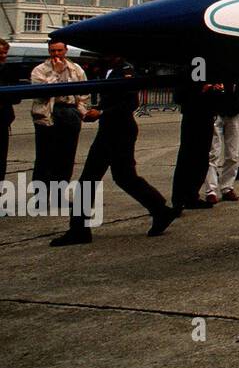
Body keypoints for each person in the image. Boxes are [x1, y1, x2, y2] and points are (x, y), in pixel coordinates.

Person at [50, 57, 175, 246]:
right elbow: (113, 100)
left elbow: (131, 103)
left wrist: (102, 113)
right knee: (124, 177)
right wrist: (99, 109)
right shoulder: (109, 69)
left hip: (118, 130)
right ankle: (160, 210)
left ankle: (79, 230)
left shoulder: (125, 70)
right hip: (112, 128)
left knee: (91, 179)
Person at [30, 39, 88, 185]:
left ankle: (59, 194)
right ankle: (41, 196)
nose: (56, 54)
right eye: (53, 51)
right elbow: (42, 93)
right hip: (48, 114)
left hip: (69, 111)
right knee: (45, 157)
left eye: (59, 50)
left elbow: (84, 93)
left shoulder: (76, 69)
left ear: (66, 50)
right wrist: (55, 72)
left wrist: (80, 112)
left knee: (66, 157)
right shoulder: (40, 70)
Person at [171, 79, 222, 213]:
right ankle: (178, 200)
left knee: (201, 159)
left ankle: (191, 196)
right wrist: (200, 91)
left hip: (207, 115)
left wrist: (215, 91)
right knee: (186, 158)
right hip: (192, 115)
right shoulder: (189, 72)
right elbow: (179, 96)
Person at [203, 80, 239, 202]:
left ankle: (226, 187)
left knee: (232, 154)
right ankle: (212, 190)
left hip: (234, 111)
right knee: (213, 153)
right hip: (217, 111)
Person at [0, 39, 18, 185]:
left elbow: (16, 97)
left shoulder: (8, 70)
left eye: (5, 53)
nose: (3, 56)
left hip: (2, 120)